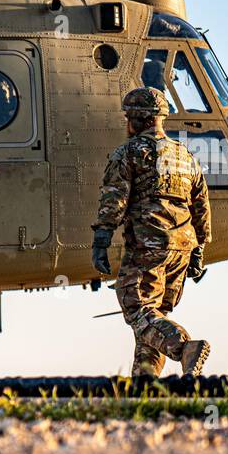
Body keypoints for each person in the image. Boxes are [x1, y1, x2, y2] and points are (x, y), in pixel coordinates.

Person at [92, 86, 212, 377]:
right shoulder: (185, 157)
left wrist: (102, 237)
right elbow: (201, 206)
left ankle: (184, 347)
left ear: (135, 119)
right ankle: (145, 384)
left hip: (149, 244)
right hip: (182, 249)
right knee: (154, 316)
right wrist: (199, 250)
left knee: (137, 309)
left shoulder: (130, 152)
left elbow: (114, 198)